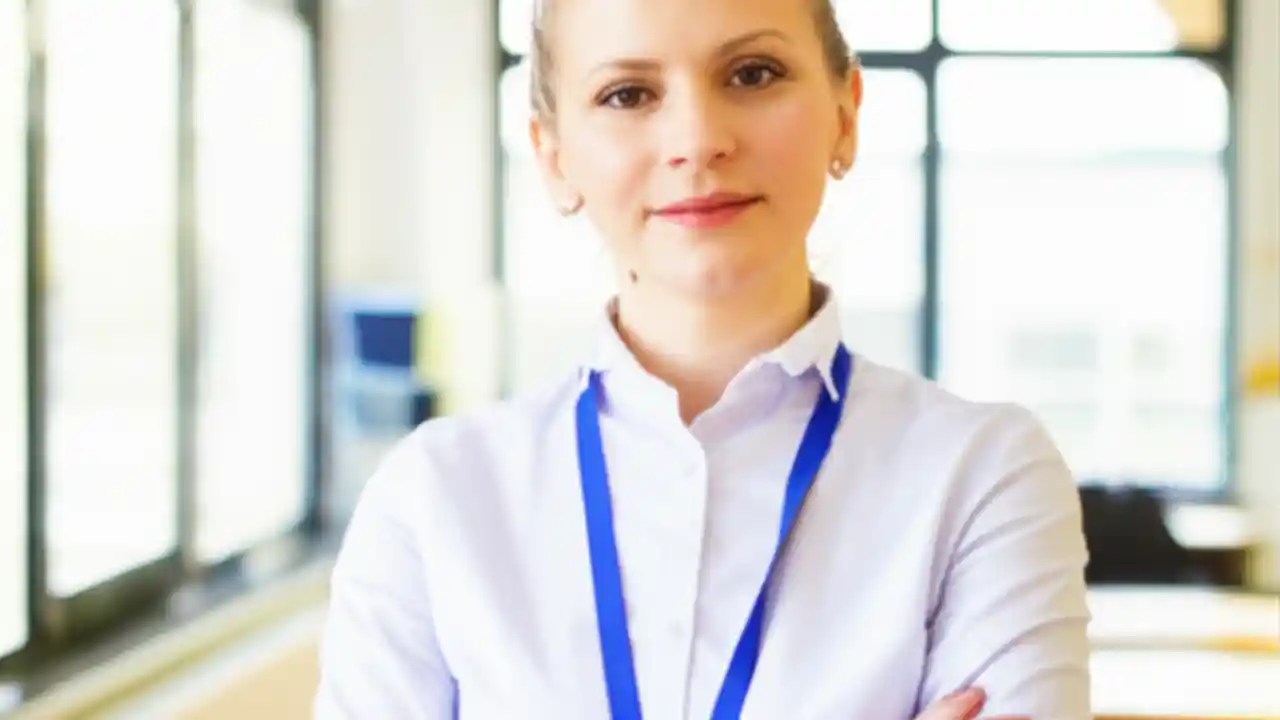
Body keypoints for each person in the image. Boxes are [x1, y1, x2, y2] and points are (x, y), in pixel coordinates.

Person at [314, 0, 1092, 717]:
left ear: (846, 114)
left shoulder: (982, 474)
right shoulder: (434, 499)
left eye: (753, 74)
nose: (696, 140)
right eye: (627, 94)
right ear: (553, 157)